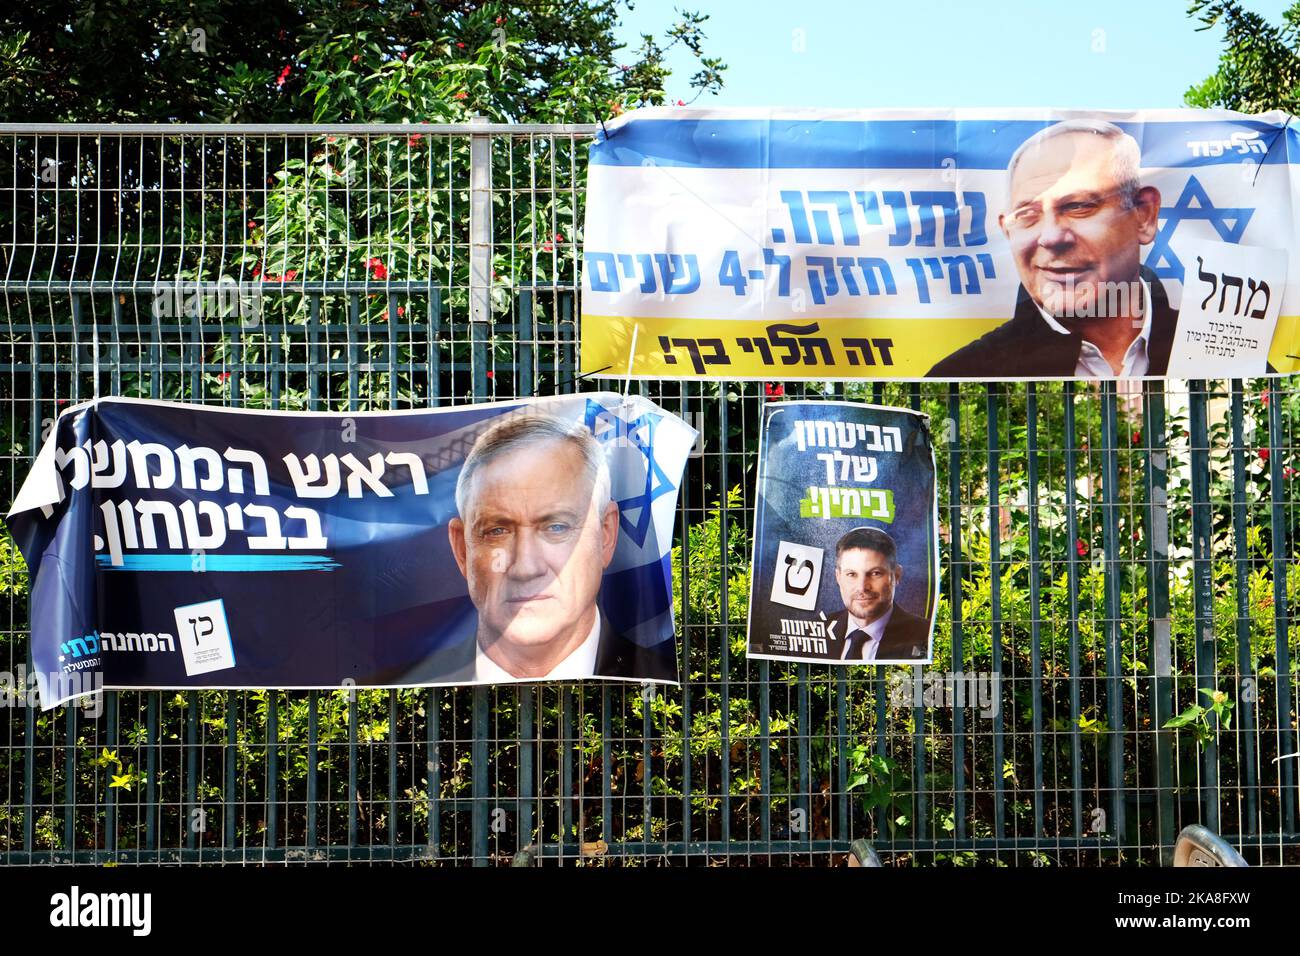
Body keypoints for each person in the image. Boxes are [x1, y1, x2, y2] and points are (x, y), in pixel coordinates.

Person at [411, 411, 676, 683]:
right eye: (497, 531)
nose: (526, 567)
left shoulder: (653, 675)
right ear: (462, 550)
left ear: (605, 534)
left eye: (556, 527)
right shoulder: (414, 683)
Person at [927, 119, 1178, 379]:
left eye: (1079, 206)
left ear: (1144, 215)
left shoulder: (1208, 351)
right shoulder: (961, 376)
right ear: (1007, 230)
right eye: (1027, 215)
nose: (1051, 237)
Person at [827, 527, 928, 662]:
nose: (862, 587)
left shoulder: (926, 634)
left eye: (875, 573)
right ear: (838, 577)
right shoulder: (815, 630)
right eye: (851, 574)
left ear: (896, 575)